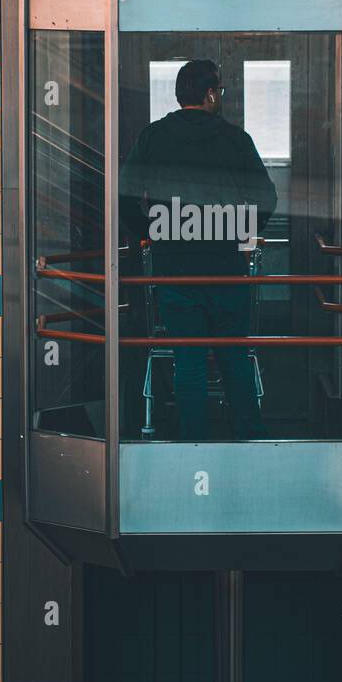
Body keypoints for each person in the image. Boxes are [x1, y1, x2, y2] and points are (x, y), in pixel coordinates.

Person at [119, 59, 277, 441]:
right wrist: (236, 231)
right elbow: (267, 199)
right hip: (224, 269)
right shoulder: (236, 140)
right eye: (218, 91)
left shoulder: (153, 137)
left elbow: (124, 198)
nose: (219, 97)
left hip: (175, 269)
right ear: (209, 94)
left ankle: (193, 444)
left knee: (187, 363)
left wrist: (152, 233)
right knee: (234, 361)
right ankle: (248, 442)